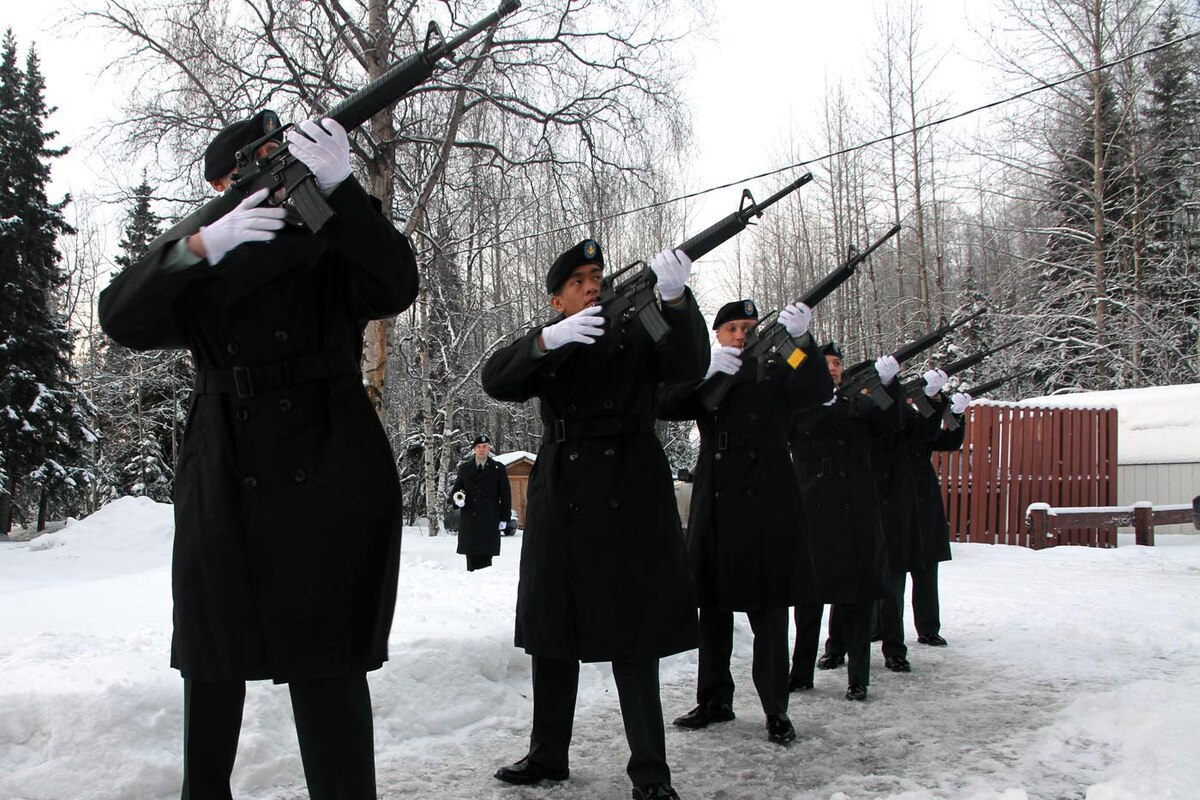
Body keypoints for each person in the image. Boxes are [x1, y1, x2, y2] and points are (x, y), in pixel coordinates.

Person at [98, 110, 419, 800]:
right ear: (224, 183)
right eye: (260, 159)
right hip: (225, 465)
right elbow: (119, 316)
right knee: (214, 658)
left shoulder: (330, 237)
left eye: (282, 151)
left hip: (326, 464)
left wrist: (346, 194)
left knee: (327, 662)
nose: (279, 164)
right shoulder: (203, 254)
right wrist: (199, 247)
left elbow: (395, 285)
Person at [481, 238, 708, 800]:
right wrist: (544, 342)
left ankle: (651, 773)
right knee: (554, 629)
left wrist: (677, 301)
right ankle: (547, 755)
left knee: (634, 637)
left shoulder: (636, 330)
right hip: (563, 492)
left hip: (629, 491)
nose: (591, 287)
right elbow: (496, 379)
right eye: (578, 281)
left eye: (596, 279)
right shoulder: (554, 341)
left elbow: (688, 366)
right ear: (556, 298)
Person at [658, 298, 831, 746]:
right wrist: (703, 370)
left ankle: (776, 708)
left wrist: (803, 341)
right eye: (732, 328)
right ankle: (715, 699)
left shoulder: (779, 365)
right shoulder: (709, 367)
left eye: (748, 328)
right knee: (712, 608)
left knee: (769, 613)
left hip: (767, 499)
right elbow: (665, 403)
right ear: (717, 335)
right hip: (716, 498)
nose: (740, 335)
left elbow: (817, 390)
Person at [789, 343, 892, 702]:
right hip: (814, 509)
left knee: (857, 601)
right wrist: (823, 406)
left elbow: (891, 426)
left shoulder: (860, 403)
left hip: (855, 513)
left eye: (836, 364)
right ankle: (800, 672)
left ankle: (858, 677)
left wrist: (888, 385)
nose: (832, 368)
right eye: (825, 363)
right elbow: (793, 430)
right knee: (808, 600)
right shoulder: (802, 402)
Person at [907, 373, 971, 647]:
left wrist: (956, 414)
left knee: (926, 566)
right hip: (890, 496)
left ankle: (928, 627)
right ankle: (879, 626)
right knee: (887, 569)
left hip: (922, 497)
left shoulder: (922, 423)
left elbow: (947, 441)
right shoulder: (890, 419)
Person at [449, 433, 512, 571]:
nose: (482, 449)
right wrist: (457, 501)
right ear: (474, 449)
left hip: (489, 520)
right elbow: (455, 491)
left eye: (485, 446)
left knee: (485, 566)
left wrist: (504, 518)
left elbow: (506, 495)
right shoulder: (465, 468)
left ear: (489, 448)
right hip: (470, 521)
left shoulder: (498, 468)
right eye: (479, 447)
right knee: (471, 564)